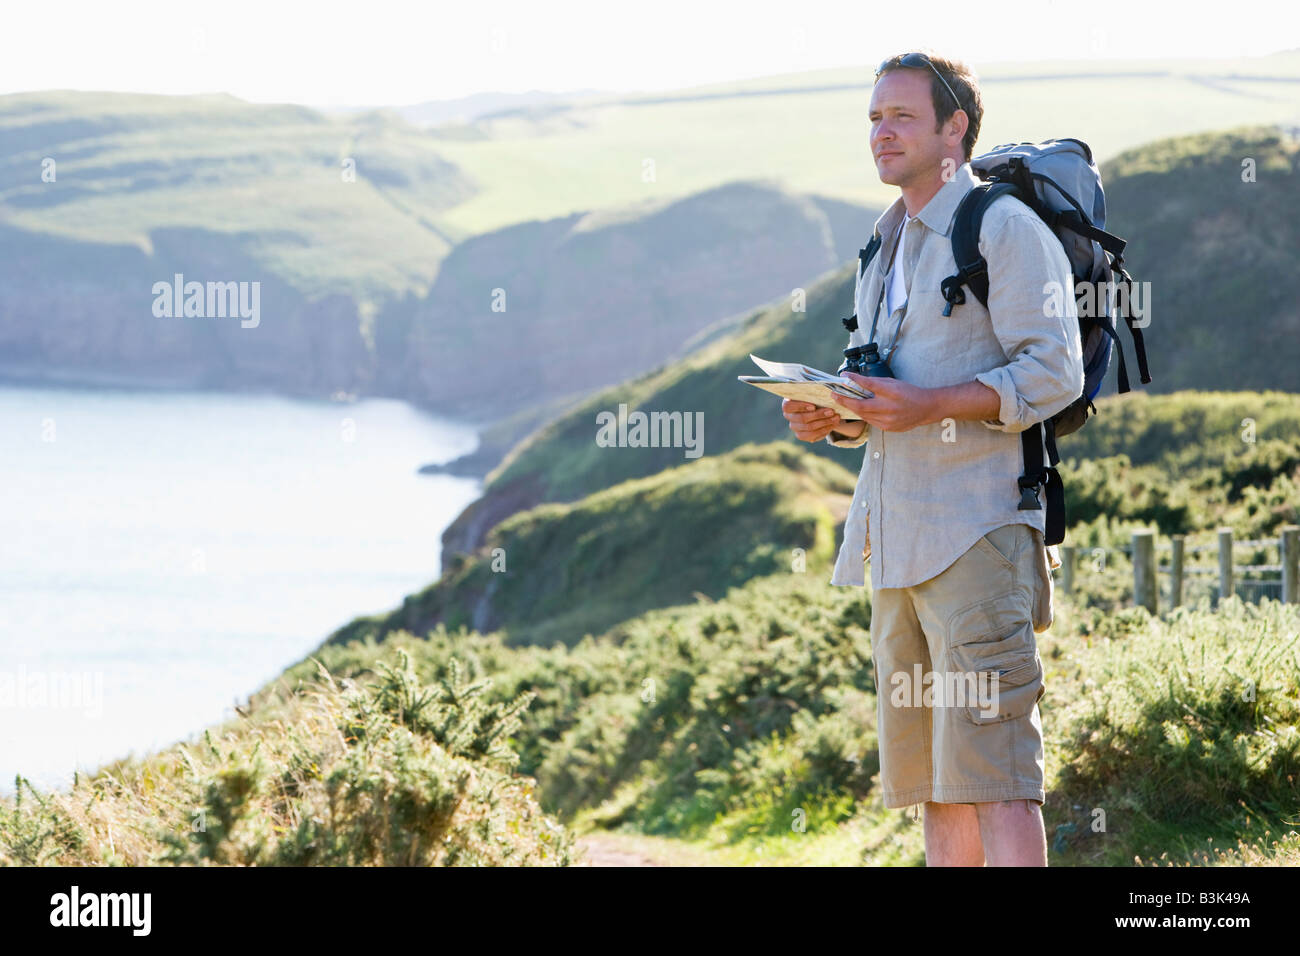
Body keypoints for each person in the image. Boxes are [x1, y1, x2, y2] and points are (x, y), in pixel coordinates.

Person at [783, 49, 1084, 867]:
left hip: (979, 534)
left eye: (902, 116)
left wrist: (930, 407)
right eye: (875, 118)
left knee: (998, 776)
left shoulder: (1003, 228)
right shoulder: (882, 248)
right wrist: (836, 418)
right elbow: (894, 387)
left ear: (955, 127)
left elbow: (1056, 369)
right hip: (896, 544)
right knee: (934, 783)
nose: (882, 132)